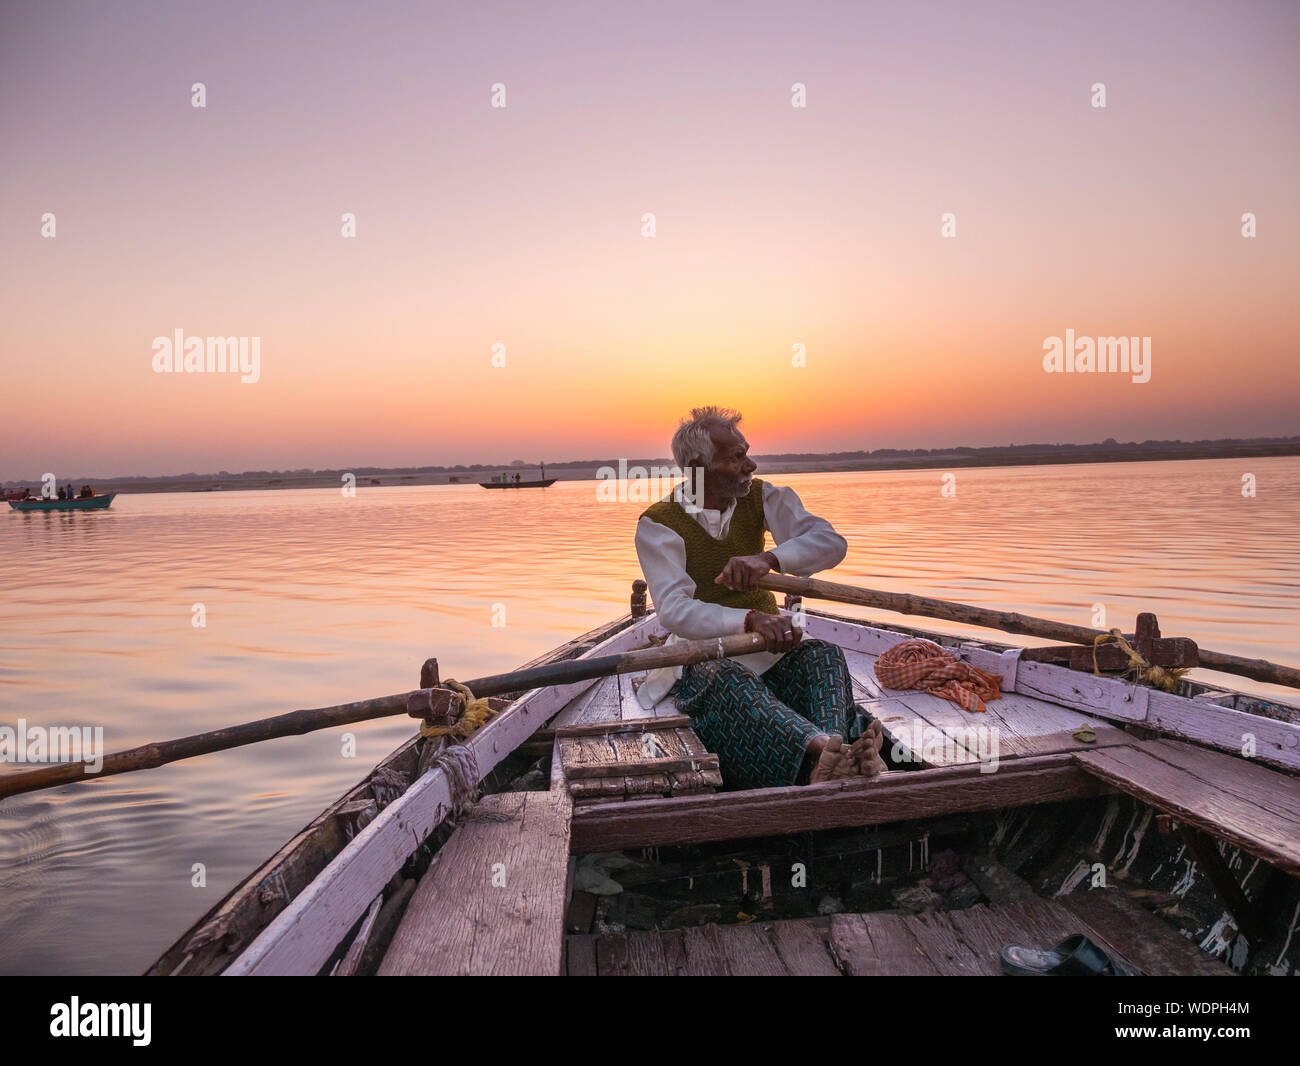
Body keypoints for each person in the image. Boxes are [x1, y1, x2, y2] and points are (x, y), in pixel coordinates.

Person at [634, 406, 886, 789]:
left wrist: (770, 558)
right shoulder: (658, 524)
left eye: (746, 452)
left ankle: (835, 757)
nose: (750, 465)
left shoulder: (763, 497)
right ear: (700, 467)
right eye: (736, 458)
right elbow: (673, 611)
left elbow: (831, 543)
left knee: (824, 655)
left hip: (772, 644)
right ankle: (827, 751)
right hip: (704, 655)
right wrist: (750, 619)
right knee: (732, 678)